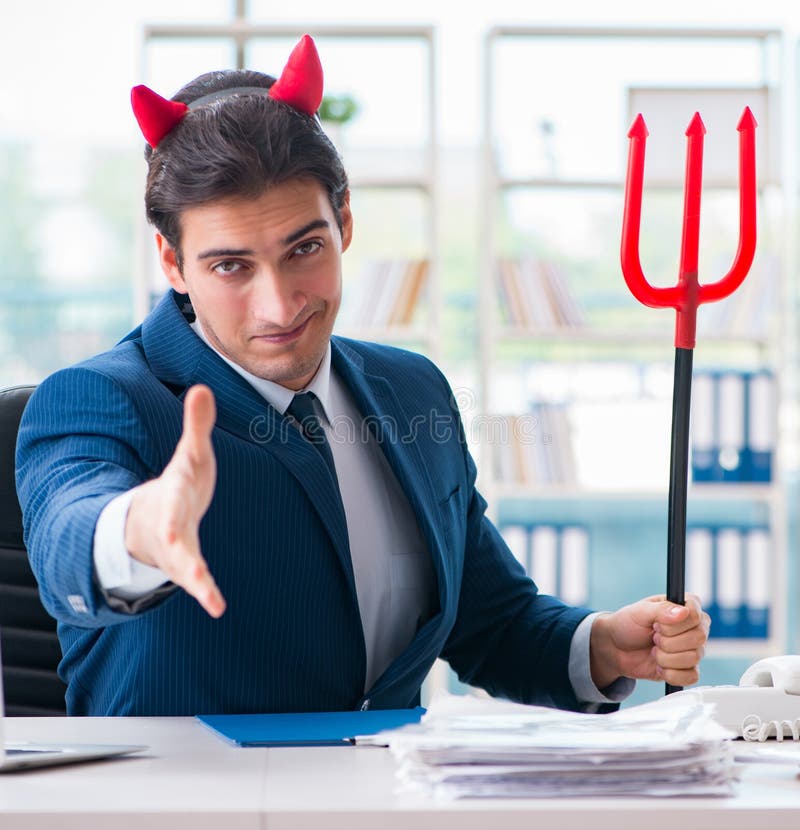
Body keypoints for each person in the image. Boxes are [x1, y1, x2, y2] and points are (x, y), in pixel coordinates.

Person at [15, 36, 709, 716]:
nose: (279, 303)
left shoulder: (412, 391)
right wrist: (140, 528)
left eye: (304, 249)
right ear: (172, 263)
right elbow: (68, 539)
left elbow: (491, 621)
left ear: (344, 222)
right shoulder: (101, 398)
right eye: (231, 266)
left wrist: (603, 649)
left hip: (387, 801)